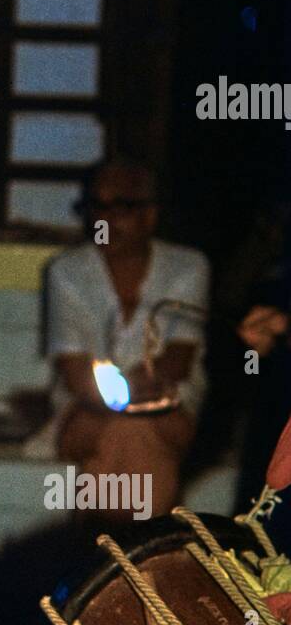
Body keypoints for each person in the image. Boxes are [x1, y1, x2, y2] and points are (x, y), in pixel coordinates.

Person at [45, 158, 210, 520]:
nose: (104, 220)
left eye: (120, 206)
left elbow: (177, 362)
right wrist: (121, 400)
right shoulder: (67, 272)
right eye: (95, 206)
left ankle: (102, 552)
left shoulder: (187, 267)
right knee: (130, 432)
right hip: (85, 405)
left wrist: (122, 399)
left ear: (149, 215)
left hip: (170, 404)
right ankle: (150, 548)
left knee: (131, 431)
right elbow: (75, 374)